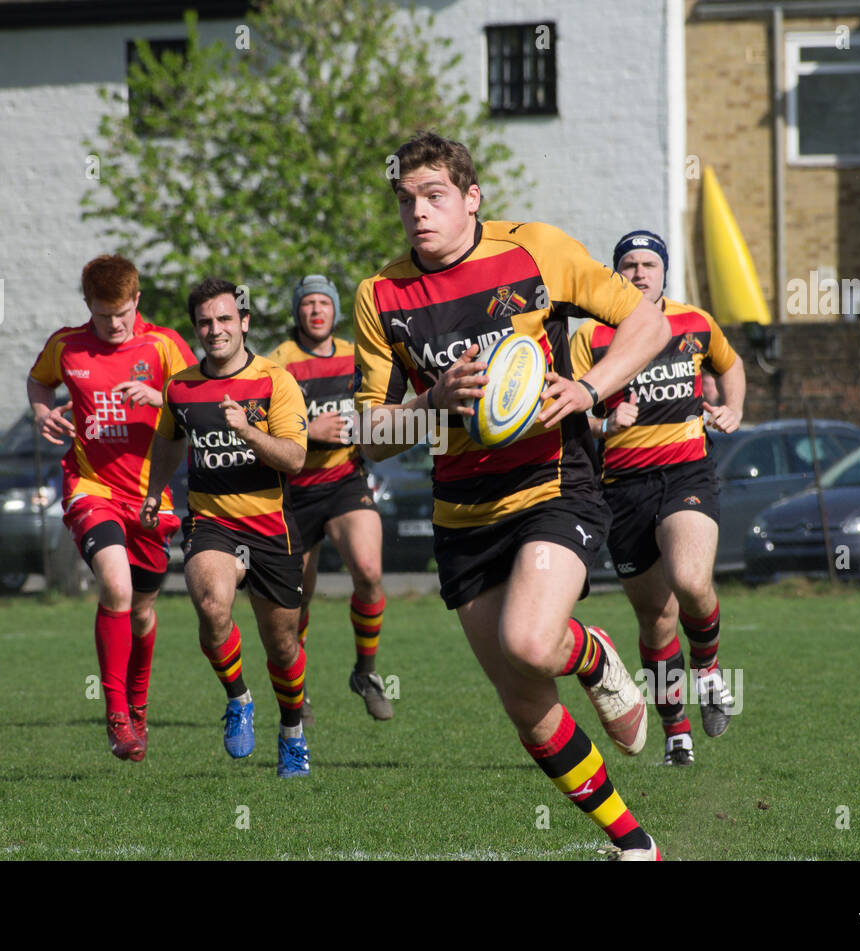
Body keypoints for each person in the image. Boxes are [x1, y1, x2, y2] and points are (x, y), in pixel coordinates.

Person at [352, 131, 670, 859]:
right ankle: (636, 844)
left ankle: (589, 653)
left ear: (471, 198)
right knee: (525, 701)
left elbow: (647, 323)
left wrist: (590, 386)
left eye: (434, 197)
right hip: (461, 511)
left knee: (528, 640)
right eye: (406, 201)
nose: (418, 213)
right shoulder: (380, 294)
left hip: (552, 481)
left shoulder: (537, 251)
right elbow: (370, 433)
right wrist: (432, 399)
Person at [571, 229, 744, 766]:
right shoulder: (591, 337)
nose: (639, 272)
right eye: (629, 264)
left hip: (686, 473)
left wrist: (732, 408)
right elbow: (569, 406)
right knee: (656, 619)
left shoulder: (694, 322)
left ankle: (710, 674)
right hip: (622, 488)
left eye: (649, 264)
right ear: (614, 273)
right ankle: (676, 732)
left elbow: (730, 364)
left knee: (690, 580)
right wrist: (601, 421)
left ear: (664, 272)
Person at [141, 277, 312, 777]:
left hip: (271, 528)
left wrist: (247, 430)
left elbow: (295, 458)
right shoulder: (181, 386)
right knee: (212, 605)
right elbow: (170, 440)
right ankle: (238, 698)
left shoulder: (275, 380)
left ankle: (292, 732)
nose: (214, 330)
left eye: (224, 320)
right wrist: (155, 491)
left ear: (244, 323)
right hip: (211, 522)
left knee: (283, 646)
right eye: (204, 322)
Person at [27, 254, 196, 762]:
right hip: (91, 488)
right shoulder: (67, 345)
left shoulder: (163, 344)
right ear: (88, 307)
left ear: (137, 300)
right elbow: (40, 382)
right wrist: (40, 410)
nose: (115, 324)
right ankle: (117, 717)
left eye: (122, 313)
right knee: (116, 587)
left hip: (150, 497)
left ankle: (137, 709)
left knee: (142, 614)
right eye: (104, 315)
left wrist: (161, 396)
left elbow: (202, 401)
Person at [268, 274, 392, 723]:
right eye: (307, 303)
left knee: (370, 571)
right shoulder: (278, 362)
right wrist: (308, 431)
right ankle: (296, 691)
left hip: (344, 483)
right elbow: (258, 426)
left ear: (335, 311)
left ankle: (366, 672)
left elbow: (382, 404)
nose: (316, 310)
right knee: (296, 600)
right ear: (297, 311)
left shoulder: (355, 355)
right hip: (293, 491)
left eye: (324, 302)